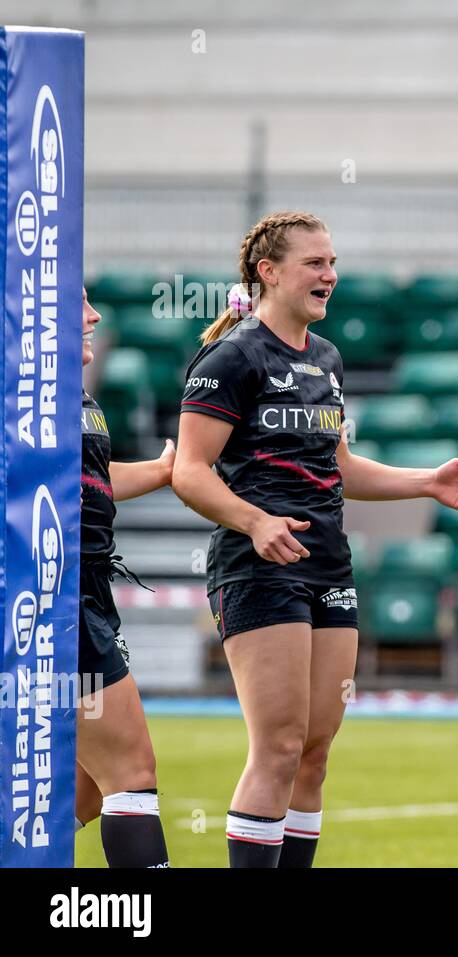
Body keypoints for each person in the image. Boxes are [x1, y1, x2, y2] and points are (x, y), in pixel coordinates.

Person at [172, 210, 458, 868]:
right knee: (280, 747)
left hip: (328, 563)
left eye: (333, 261)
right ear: (268, 273)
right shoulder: (232, 356)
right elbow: (188, 469)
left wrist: (426, 482)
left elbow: (341, 468)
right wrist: (256, 521)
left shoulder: (327, 358)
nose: (331, 274)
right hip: (257, 564)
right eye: (315, 262)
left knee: (315, 752)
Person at [76, 288, 175, 867]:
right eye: (78, 302)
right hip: (54, 597)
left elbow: (94, 475)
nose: (95, 317)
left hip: (89, 592)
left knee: (88, 786)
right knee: (132, 773)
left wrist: (164, 471)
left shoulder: (74, 397)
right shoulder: (20, 390)